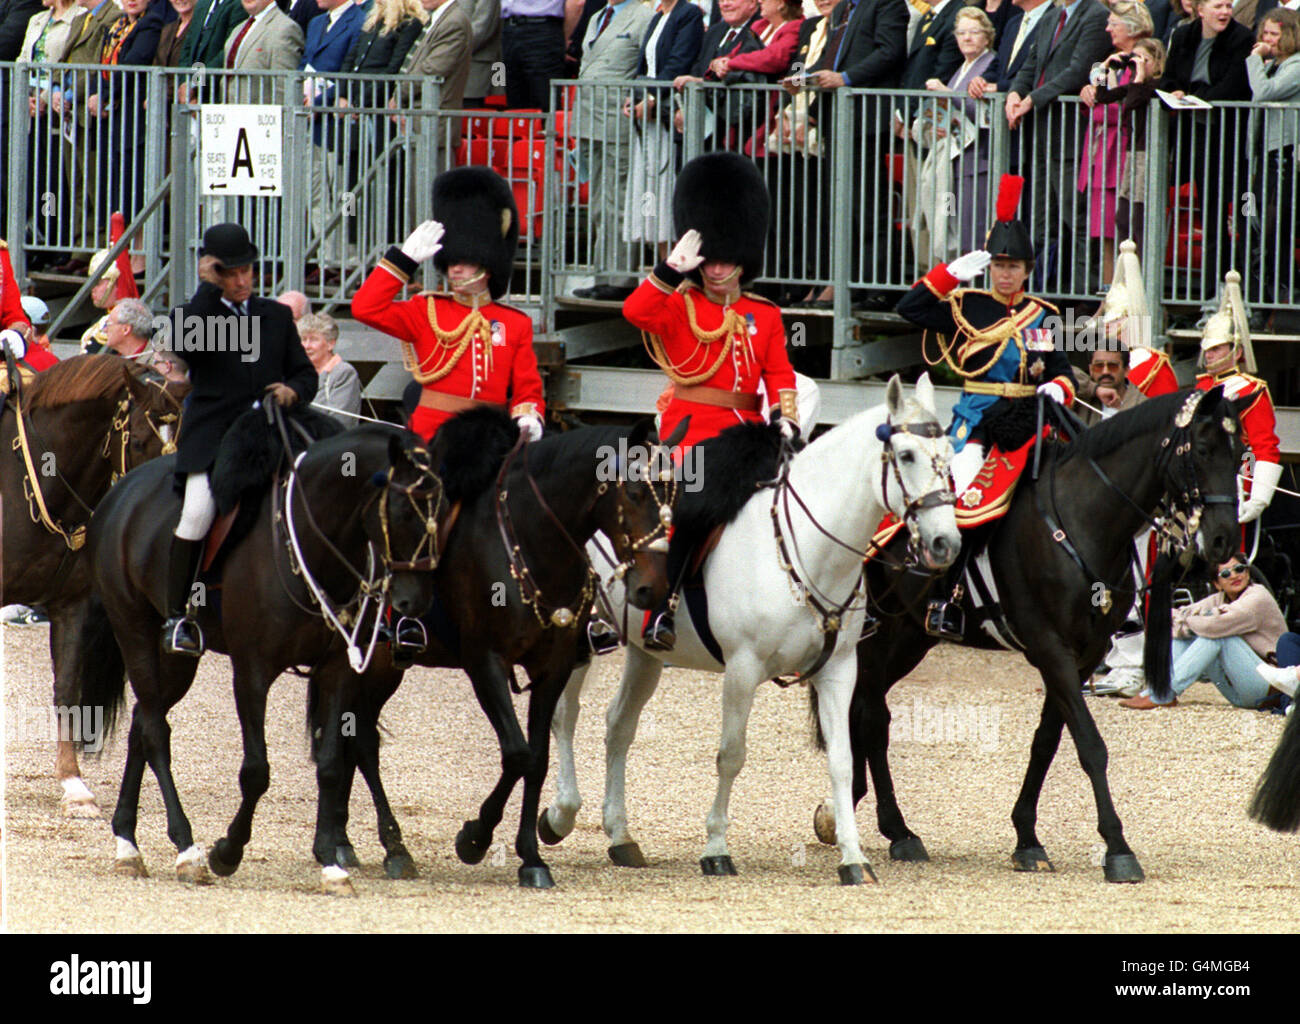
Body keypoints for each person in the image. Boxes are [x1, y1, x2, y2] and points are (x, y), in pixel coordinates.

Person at [623, 151, 798, 649]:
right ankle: (659, 611)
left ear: (744, 259)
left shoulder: (764, 313)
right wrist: (670, 270)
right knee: (684, 509)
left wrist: (785, 418)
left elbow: (780, 373)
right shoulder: (679, 304)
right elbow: (635, 312)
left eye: (726, 260)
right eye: (711, 261)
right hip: (689, 431)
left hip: (749, 432)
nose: (718, 270)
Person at [160, 222, 317, 655]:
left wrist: (294, 391)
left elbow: (304, 373)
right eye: (230, 273)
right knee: (195, 514)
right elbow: (187, 346)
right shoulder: (195, 315)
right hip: (214, 434)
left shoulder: (276, 315)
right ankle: (179, 617)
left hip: (273, 428)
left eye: (247, 270)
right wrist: (209, 291)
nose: (242, 280)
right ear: (212, 272)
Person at [896, 173, 1075, 494]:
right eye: (999, 265)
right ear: (989, 268)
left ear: (1028, 271)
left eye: (1014, 267)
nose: (1006, 274)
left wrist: (1059, 387)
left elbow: (1062, 371)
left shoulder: (1044, 315)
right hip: (976, 416)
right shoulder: (967, 307)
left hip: (1028, 417)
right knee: (966, 489)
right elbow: (910, 308)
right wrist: (948, 275)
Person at [351, 166, 545, 444]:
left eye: (465, 262)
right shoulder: (426, 311)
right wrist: (403, 261)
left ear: (487, 266)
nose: (455, 270)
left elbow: (527, 388)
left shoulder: (515, 323)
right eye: (452, 262)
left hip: (488, 439)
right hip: (432, 436)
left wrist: (528, 416)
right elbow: (365, 308)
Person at [1005, 0, 1111, 291]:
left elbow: (1078, 71)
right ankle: (1043, 290)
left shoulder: (1097, 15)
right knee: (1041, 221)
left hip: (1070, 132)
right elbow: (1031, 64)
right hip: (1042, 131)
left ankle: (1083, 293)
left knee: (1075, 216)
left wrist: (1032, 99)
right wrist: (1015, 93)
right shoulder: (1053, 15)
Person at [1160, 0, 1254, 293]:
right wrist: (1176, 92)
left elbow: (1236, 84)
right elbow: (1170, 76)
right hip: (1197, 135)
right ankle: (1215, 289)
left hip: (1233, 136)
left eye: (1228, 5)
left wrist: (1200, 100)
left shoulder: (1242, 38)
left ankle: (1247, 287)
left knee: (1243, 211)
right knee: (1211, 213)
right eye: (1217, 5)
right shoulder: (1183, 35)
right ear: (1200, 9)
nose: (1225, 11)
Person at [570, 0, 656, 301]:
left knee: (617, 200)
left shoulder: (645, 16)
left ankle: (620, 279)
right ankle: (602, 274)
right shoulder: (596, 17)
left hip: (616, 121)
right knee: (597, 203)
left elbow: (649, 66)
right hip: (588, 119)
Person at [1120, 554, 1287, 708]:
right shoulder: (1220, 599)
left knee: (1218, 637)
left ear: (1248, 572)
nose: (1235, 575)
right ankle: (1156, 690)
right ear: (1217, 584)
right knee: (1182, 639)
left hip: (1268, 689)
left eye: (1239, 569)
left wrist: (1188, 620)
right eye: (1226, 574)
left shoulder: (1258, 597)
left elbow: (1213, 626)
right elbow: (1175, 617)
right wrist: (1192, 619)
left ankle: (1163, 694)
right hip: (1238, 693)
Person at [908, 5, 1000, 265]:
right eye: (961, 33)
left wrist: (946, 93)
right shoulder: (960, 67)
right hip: (950, 166)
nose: (967, 38)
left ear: (987, 36)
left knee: (972, 227)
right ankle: (953, 285)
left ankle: (973, 289)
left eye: (974, 32)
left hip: (976, 164)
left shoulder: (989, 63)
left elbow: (980, 109)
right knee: (948, 220)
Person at [1076, 1, 1155, 285]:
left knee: (1122, 230)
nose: (1107, 28)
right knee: (1103, 232)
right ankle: (1108, 296)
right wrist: (1088, 90)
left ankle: (1125, 296)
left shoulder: (1142, 60)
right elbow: (1094, 101)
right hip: (1100, 153)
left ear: (1131, 28)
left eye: (1113, 23)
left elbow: (1124, 106)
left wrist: (1100, 103)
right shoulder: (1106, 61)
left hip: (1123, 152)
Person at [620, 0, 705, 258]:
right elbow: (643, 67)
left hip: (666, 112)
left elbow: (679, 62)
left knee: (665, 189)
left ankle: (675, 268)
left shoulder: (688, 14)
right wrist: (632, 96)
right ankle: (662, 265)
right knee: (648, 190)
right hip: (647, 111)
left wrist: (652, 100)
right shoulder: (657, 17)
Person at [1196, 270, 1281, 526]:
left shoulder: (1251, 390)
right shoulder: (1201, 385)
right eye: (1207, 349)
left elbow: (1262, 446)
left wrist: (1255, 495)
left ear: (1236, 350)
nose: (1209, 356)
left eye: (1216, 349)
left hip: (1231, 485)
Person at [1246, 8, 1300, 314]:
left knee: (1274, 222)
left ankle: (1279, 290)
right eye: (1264, 34)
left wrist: (1255, 58)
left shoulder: (1295, 65)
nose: (1267, 41)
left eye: (1274, 35)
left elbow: (1265, 92)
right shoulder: (1272, 66)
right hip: (1264, 155)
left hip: (1286, 155)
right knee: (1253, 217)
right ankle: (1263, 291)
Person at [297, 311, 362, 426]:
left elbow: (340, 422)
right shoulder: (297, 372)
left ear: (330, 344)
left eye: (313, 340)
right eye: (303, 339)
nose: (306, 346)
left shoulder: (343, 373)